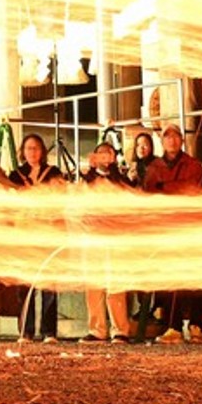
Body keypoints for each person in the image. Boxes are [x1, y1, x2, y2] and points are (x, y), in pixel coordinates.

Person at [143, 124, 202, 344]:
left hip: (189, 227)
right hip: (165, 228)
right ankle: (174, 326)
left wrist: (164, 188)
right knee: (170, 279)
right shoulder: (154, 167)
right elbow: (150, 194)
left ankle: (197, 324)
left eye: (175, 137)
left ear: (181, 140)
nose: (172, 141)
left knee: (193, 277)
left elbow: (192, 189)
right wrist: (173, 189)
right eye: (167, 137)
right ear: (162, 142)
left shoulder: (193, 165)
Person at [10, 133, 65, 343]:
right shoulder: (15, 175)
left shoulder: (53, 173)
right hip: (25, 234)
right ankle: (26, 330)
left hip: (48, 233)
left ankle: (49, 331)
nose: (32, 152)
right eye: (28, 148)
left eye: (36, 148)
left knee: (49, 284)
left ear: (42, 151)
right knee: (25, 285)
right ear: (23, 152)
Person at [79, 142, 133, 344]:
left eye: (107, 153)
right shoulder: (87, 180)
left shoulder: (121, 180)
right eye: (100, 153)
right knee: (93, 285)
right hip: (93, 236)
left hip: (114, 237)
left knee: (115, 283)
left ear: (113, 157)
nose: (104, 156)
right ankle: (97, 329)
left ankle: (120, 330)